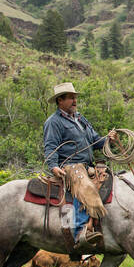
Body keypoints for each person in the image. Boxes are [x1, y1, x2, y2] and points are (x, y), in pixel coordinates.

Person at [42, 82, 118, 251]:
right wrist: (53, 166)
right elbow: (50, 147)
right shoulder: (53, 122)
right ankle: (81, 232)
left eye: (75, 97)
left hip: (87, 165)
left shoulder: (80, 118)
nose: (75, 100)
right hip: (70, 166)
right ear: (60, 101)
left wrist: (107, 140)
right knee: (85, 187)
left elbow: (94, 139)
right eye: (71, 98)